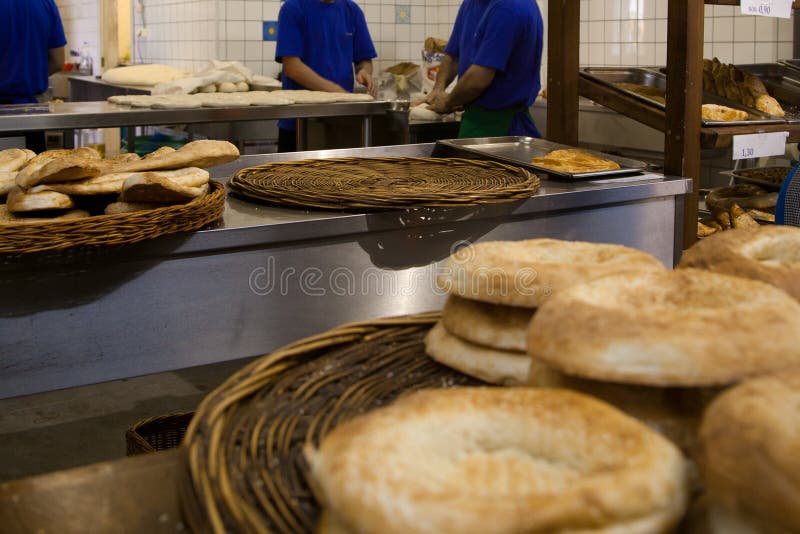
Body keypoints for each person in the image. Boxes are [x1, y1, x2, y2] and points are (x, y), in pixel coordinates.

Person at [419, 0, 543, 138]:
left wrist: (448, 102)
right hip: (473, 120)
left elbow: (477, 81)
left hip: (501, 127)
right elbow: (453, 56)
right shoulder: (472, 3)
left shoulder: (509, 7)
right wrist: (438, 89)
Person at [276, 0, 378, 152]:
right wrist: (336, 91)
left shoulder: (352, 10)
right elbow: (292, 66)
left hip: (340, 120)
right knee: (295, 176)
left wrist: (364, 71)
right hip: (299, 124)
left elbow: (364, 59)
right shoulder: (293, 8)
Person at [0, 0, 66, 152]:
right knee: (29, 173)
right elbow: (58, 61)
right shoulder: (45, 2)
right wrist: (28, 75)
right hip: (30, 115)